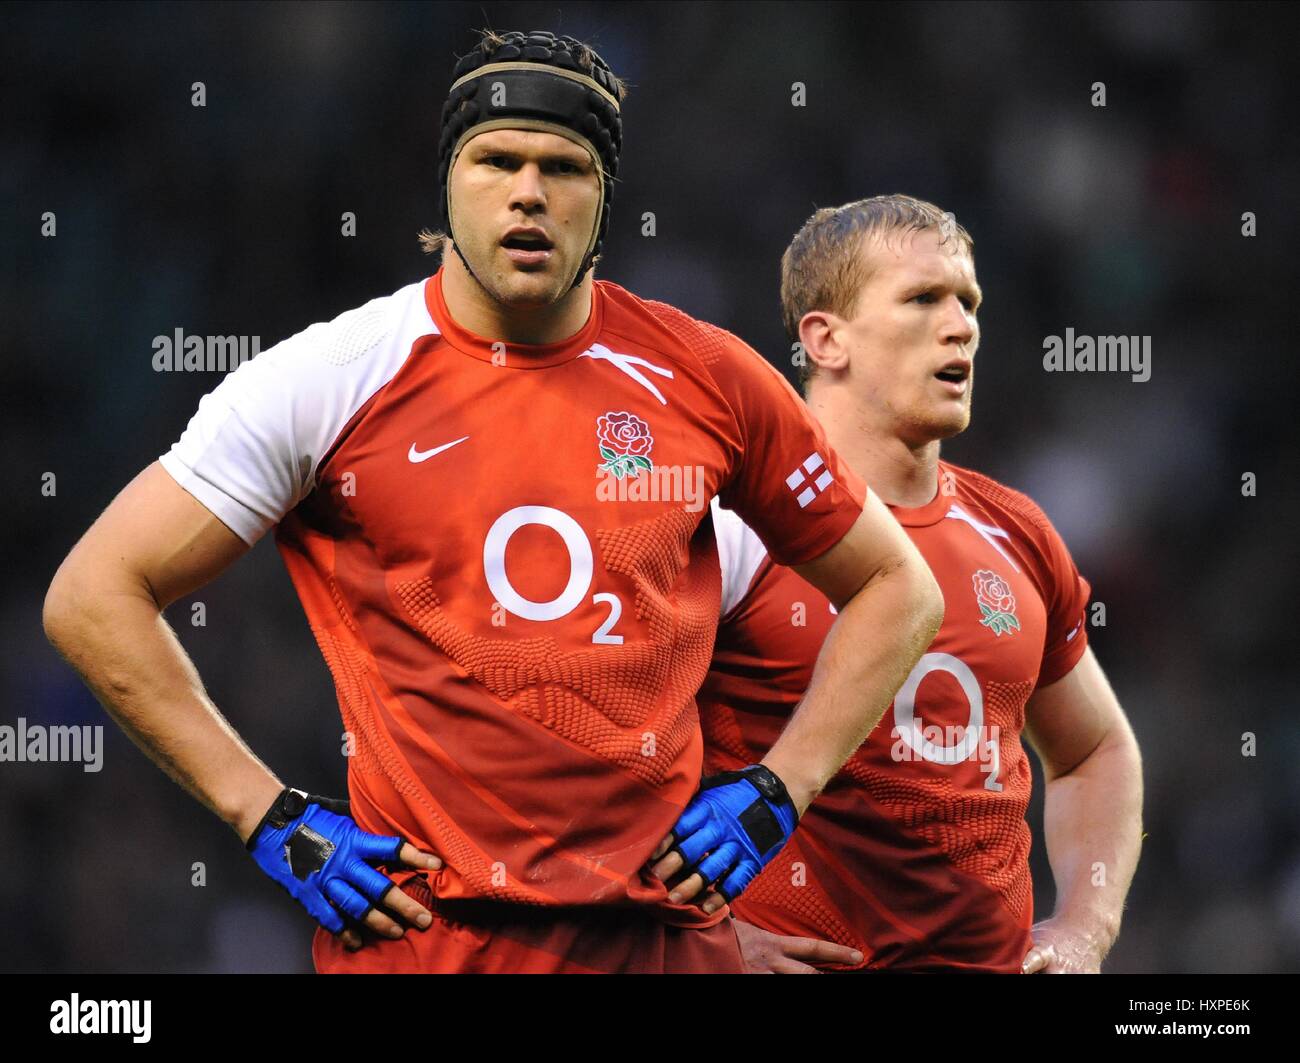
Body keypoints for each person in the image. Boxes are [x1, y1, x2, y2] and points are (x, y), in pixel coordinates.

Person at [42, 33, 942, 974]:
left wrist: (777, 790)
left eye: (565, 167)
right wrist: (266, 816)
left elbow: (899, 587)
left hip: (663, 945)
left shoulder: (708, 376)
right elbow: (95, 592)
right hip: (427, 942)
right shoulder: (332, 379)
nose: (529, 191)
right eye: (496, 160)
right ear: (448, 185)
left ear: (603, 203)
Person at [701, 194, 1143, 972]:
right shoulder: (735, 527)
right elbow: (601, 749)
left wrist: (1085, 928)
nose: (961, 324)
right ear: (825, 337)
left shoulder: (1017, 531)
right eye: (923, 298)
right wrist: (696, 938)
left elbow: (1094, 749)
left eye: (968, 301)